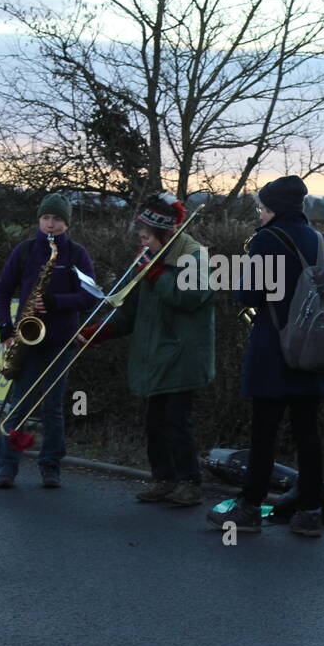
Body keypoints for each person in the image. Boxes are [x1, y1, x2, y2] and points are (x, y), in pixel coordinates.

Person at [207, 175, 324, 537]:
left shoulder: (266, 240)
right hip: (312, 350)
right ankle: (310, 512)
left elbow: (248, 296)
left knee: (264, 433)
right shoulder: (320, 241)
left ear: (272, 208)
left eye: (261, 206)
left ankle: (251, 507)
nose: (260, 212)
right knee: (308, 434)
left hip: (275, 349)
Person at [78, 192, 215, 507]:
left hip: (182, 356)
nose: (141, 243)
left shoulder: (194, 256)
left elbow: (190, 297)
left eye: (145, 237)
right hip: (156, 355)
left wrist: (157, 273)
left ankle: (189, 482)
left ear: (163, 234)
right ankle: (163, 479)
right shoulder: (152, 258)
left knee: (177, 421)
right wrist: (98, 331)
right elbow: (132, 312)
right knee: (154, 422)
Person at [0, 193, 97, 490]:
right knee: (19, 405)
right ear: (39, 219)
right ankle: (6, 468)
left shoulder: (77, 254)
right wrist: (4, 329)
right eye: (46, 218)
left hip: (61, 341)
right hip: (26, 340)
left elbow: (90, 297)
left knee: (52, 407)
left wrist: (54, 301)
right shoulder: (24, 251)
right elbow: (1, 291)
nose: (50, 224)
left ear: (66, 223)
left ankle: (51, 468)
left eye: (57, 219)